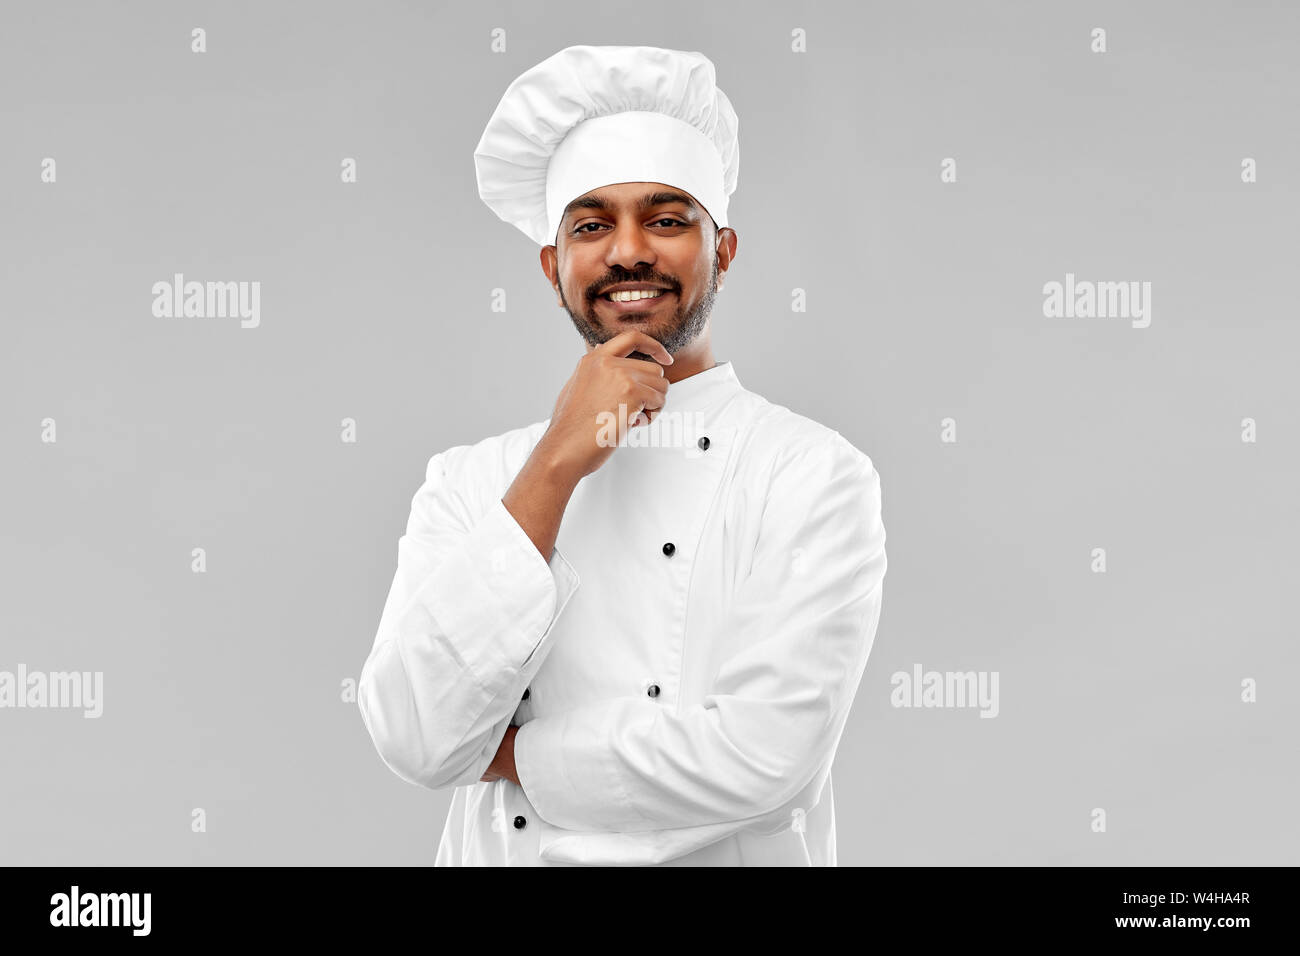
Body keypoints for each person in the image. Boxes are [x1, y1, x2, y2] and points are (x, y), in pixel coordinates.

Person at [357, 44, 887, 866]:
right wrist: (555, 465)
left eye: (668, 219)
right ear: (553, 265)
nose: (629, 252)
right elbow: (415, 734)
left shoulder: (811, 474)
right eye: (592, 225)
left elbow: (765, 756)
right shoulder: (469, 484)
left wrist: (513, 760)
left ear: (725, 250)